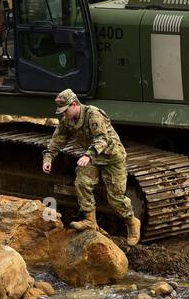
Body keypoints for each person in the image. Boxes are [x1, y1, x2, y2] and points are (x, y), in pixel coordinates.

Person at [41, 88, 141, 246]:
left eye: (65, 110)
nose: (63, 114)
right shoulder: (68, 120)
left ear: (74, 104)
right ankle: (90, 220)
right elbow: (58, 139)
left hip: (111, 158)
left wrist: (88, 155)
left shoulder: (93, 115)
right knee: (82, 182)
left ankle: (132, 222)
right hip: (92, 158)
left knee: (115, 199)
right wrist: (48, 158)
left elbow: (102, 139)